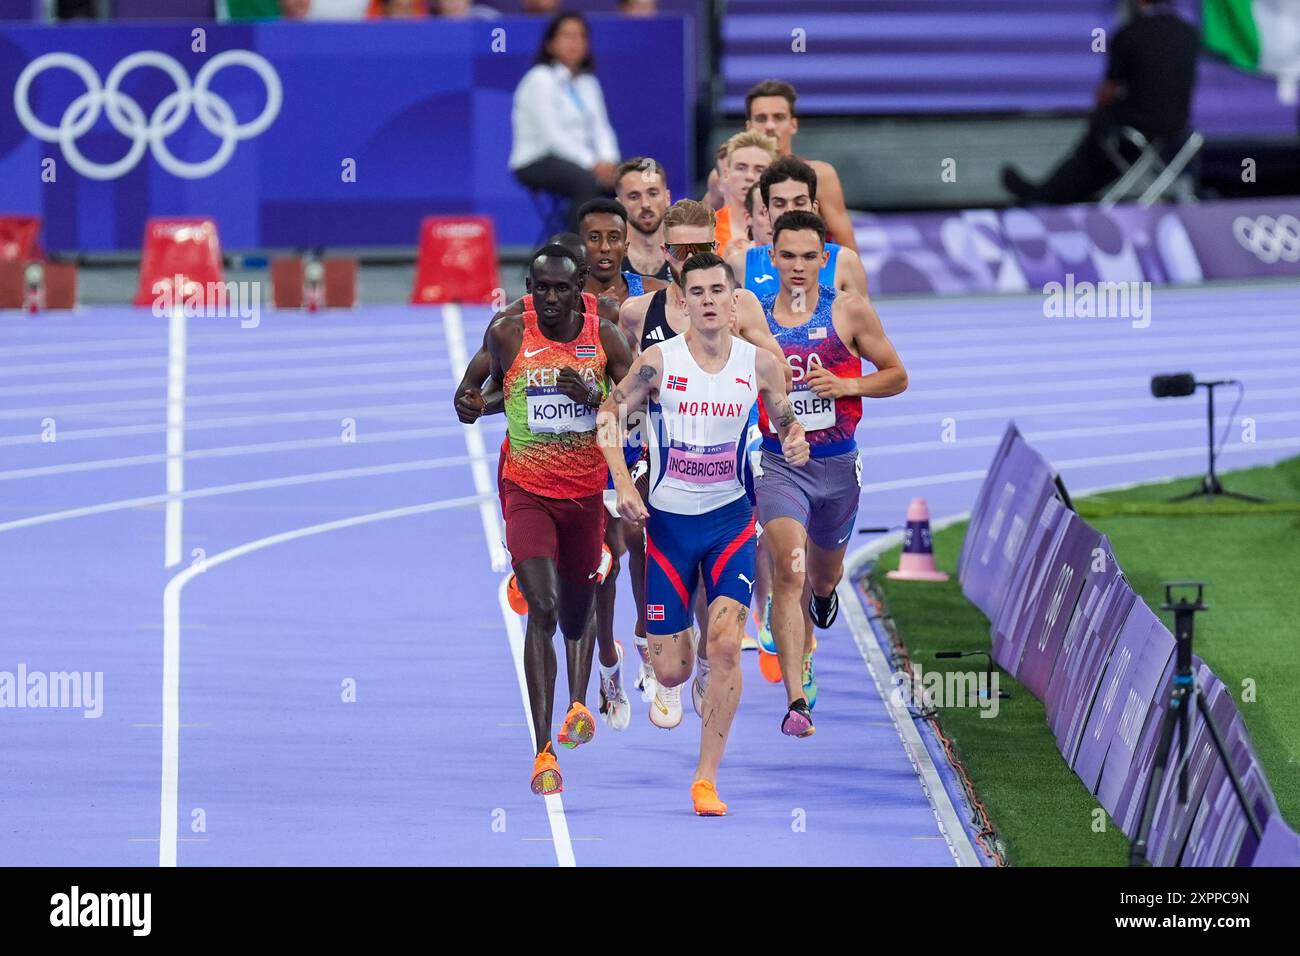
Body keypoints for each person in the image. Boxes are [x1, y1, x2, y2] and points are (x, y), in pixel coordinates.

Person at [599, 253, 808, 815]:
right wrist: (624, 483)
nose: (710, 300)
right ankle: (677, 655)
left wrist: (794, 437)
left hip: (730, 524)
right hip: (668, 526)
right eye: (698, 292)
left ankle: (705, 779)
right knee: (673, 668)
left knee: (726, 646)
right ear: (684, 300)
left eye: (719, 290)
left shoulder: (760, 364)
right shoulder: (657, 363)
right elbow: (608, 416)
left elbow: (785, 418)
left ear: (734, 300)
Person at [619, 199, 793, 718]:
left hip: (727, 455)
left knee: (717, 563)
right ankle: (664, 648)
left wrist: (738, 341)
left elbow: (778, 372)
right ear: (664, 252)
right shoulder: (638, 312)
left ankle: (705, 658)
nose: (692, 257)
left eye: (703, 248)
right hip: (661, 457)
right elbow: (624, 387)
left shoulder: (739, 304)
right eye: (682, 250)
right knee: (637, 536)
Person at [482, 245, 635, 795]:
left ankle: (578, 704)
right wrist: (468, 401)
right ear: (529, 288)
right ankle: (544, 750)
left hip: (585, 497)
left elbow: (636, 404)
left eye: (561, 288)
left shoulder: (606, 337)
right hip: (528, 492)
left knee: (577, 612)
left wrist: (594, 395)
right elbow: (488, 388)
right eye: (541, 287)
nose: (550, 298)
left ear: (578, 290)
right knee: (542, 606)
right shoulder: (507, 333)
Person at [754, 211, 907, 737]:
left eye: (808, 256)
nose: (798, 266)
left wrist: (848, 387)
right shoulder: (753, 320)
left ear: (825, 258)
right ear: (772, 257)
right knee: (788, 571)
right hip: (780, 465)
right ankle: (796, 697)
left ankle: (824, 596)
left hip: (838, 466)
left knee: (820, 577)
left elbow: (897, 376)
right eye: (788, 256)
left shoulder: (849, 311)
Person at [575, 198, 668, 730]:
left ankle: (645, 638)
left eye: (614, 238)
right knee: (602, 561)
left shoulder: (651, 298)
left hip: (639, 437)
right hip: (584, 445)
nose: (605, 248)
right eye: (595, 238)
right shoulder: (563, 302)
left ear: (627, 242)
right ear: (582, 243)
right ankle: (608, 662)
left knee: (642, 539)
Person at [1001, 0, 1199, 204]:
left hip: (1137, 125)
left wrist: (1099, 109)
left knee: (1102, 133)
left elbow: (1108, 91)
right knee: (1117, 144)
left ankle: (1049, 194)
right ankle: (1067, 193)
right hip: (1177, 128)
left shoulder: (1130, 34)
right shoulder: (1189, 33)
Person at [707, 80, 859, 253]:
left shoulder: (820, 175)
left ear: (793, 124)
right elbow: (700, 225)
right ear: (749, 126)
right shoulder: (724, 177)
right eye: (761, 118)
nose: (770, 126)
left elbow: (848, 248)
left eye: (778, 117)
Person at [510, 13, 621, 231]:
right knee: (585, 182)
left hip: (583, 161)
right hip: (537, 159)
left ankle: (630, 248)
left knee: (630, 178)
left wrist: (609, 161)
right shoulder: (539, 79)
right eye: (567, 36)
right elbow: (553, 136)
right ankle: (577, 249)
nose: (574, 43)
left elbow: (602, 128)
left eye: (580, 36)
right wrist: (593, 164)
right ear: (550, 44)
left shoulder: (588, 83)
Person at [728, 157, 869, 297]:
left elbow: (862, 312)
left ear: (814, 208)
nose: (790, 210)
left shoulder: (844, 261)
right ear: (766, 212)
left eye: (799, 203)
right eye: (779, 204)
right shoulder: (739, 264)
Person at [714, 131, 778, 257]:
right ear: (726, 174)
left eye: (759, 169)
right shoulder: (708, 229)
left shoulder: (784, 230)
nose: (749, 176)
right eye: (741, 168)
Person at [615, 157, 673, 281]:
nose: (645, 204)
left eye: (653, 194)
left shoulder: (687, 255)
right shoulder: (608, 260)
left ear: (667, 198)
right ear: (619, 205)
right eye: (634, 197)